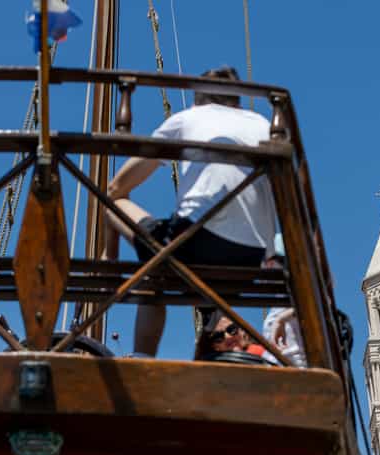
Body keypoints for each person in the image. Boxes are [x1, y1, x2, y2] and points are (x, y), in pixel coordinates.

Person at [104, 66, 276, 356]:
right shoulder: (263, 124)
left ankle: (142, 357)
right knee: (167, 258)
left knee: (112, 201)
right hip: (252, 263)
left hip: (191, 248)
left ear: (198, 98)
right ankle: (209, 323)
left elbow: (119, 185)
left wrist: (110, 254)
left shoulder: (188, 118)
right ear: (236, 100)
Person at [262, 234, 307, 368]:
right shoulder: (279, 302)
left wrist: (281, 319)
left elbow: (321, 303)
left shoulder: (301, 294)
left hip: (298, 375)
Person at [194, 309, 278, 365]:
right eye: (218, 337)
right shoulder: (207, 371)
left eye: (232, 329)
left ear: (243, 332)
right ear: (214, 346)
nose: (228, 337)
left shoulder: (267, 356)